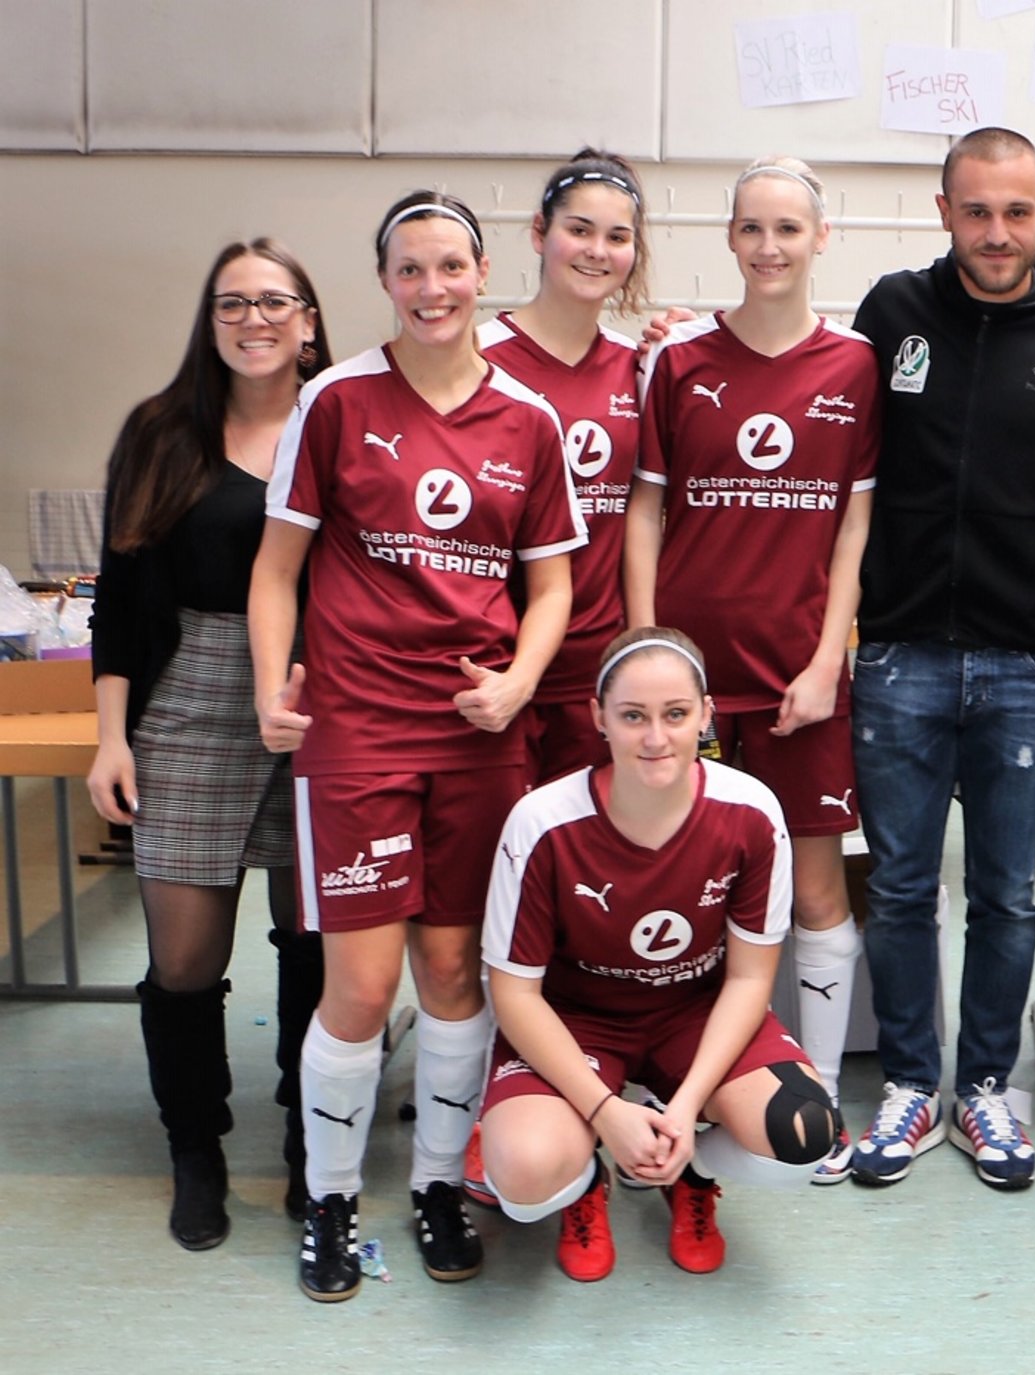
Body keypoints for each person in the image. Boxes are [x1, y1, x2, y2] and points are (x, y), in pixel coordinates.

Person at [250, 189, 585, 1302]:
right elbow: (276, 570)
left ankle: (440, 1183)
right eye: (409, 269)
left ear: (483, 272)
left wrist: (521, 681)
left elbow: (552, 585)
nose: (431, 288)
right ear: (385, 281)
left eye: (450, 266)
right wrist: (271, 685)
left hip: (478, 737)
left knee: (452, 971)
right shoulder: (336, 400)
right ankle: (331, 1198)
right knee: (360, 984)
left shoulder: (528, 419)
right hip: (356, 732)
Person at [843, 127, 1035, 1190]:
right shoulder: (891, 312)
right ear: (944, 210)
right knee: (902, 889)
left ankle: (986, 1085)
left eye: (1015, 211)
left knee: (1008, 897)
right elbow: (821, 411)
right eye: (975, 211)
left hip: (1026, 664)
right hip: (899, 654)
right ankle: (912, 1083)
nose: (996, 233)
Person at [628, 155, 875, 1182]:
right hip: (687, 682)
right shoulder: (679, 359)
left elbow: (854, 523)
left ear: (821, 238)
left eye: (787, 228)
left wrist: (826, 660)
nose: (768, 247)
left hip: (796, 684)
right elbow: (646, 508)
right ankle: (672, 1085)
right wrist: (648, 657)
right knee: (679, 884)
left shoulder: (855, 365)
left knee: (815, 891)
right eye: (750, 228)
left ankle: (817, 1094)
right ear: (729, 238)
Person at [88, 240, 333, 1249]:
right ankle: (196, 1145)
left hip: (326, 693)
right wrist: (111, 737)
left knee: (317, 937)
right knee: (185, 958)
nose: (253, 318)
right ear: (210, 319)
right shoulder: (160, 431)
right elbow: (119, 597)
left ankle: (314, 1137)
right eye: (232, 302)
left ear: (309, 320)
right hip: (190, 692)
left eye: (274, 300)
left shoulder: (345, 416)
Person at [477, 629, 837, 1281]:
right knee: (523, 1177)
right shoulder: (541, 822)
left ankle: (688, 1168)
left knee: (806, 1132)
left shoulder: (751, 811)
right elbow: (514, 993)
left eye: (675, 714)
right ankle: (586, 1176)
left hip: (691, 1014)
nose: (655, 737)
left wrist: (684, 1110)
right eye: (632, 716)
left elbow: (749, 978)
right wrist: (605, 1113)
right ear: (598, 717)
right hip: (575, 1021)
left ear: (705, 714)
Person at [479, 149, 650, 781]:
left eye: (617, 237)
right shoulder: (476, 358)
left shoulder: (641, 366)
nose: (596, 251)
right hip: (494, 665)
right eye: (579, 229)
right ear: (539, 232)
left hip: (597, 673)